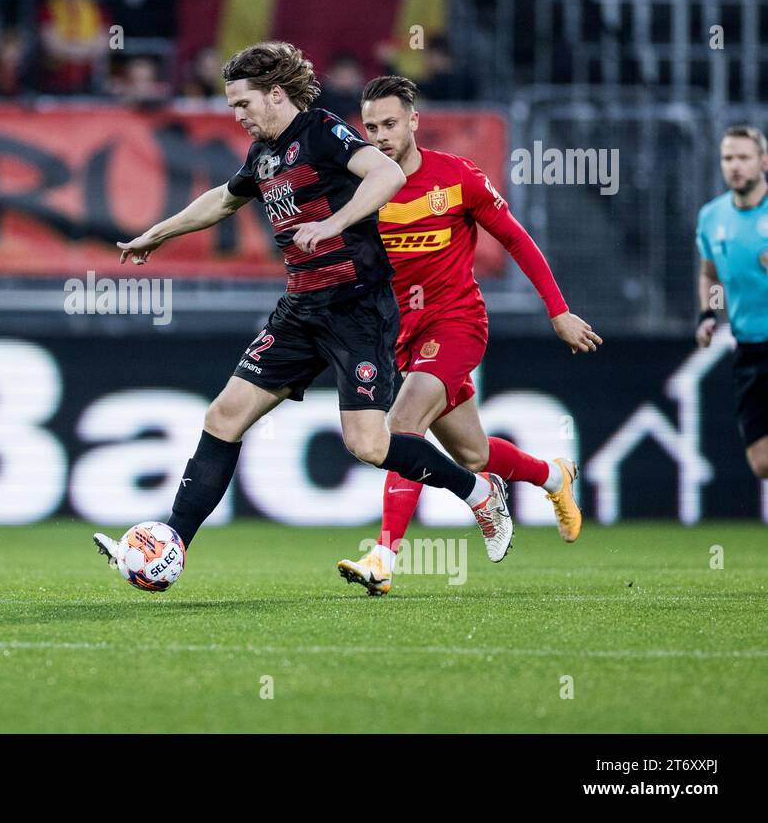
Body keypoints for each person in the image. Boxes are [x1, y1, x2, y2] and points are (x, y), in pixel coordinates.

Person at [91, 41, 514, 581]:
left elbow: (388, 176)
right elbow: (223, 199)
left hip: (357, 308)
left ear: (275, 94)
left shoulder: (321, 131)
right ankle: (173, 541)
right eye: (231, 106)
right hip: (300, 309)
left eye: (242, 104)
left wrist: (333, 224)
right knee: (223, 415)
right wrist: (158, 234)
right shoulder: (264, 155)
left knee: (368, 445)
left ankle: (477, 489)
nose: (236, 115)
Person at [336, 76, 600, 595]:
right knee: (473, 455)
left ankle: (384, 558)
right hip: (401, 337)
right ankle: (553, 476)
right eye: (371, 127)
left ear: (414, 121)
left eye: (391, 123)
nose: (382, 135)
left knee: (402, 427)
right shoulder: (361, 190)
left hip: (456, 323)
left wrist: (559, 311)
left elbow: (517, 241)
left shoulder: (457, 177)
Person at [696, 125, 768, 490]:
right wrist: (710, 314)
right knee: (760, 461)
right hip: (749, 347)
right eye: (728, 158)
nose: (735, 166)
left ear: (764, 162)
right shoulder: (712, 217)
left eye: (743, 157)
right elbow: (711, 275)